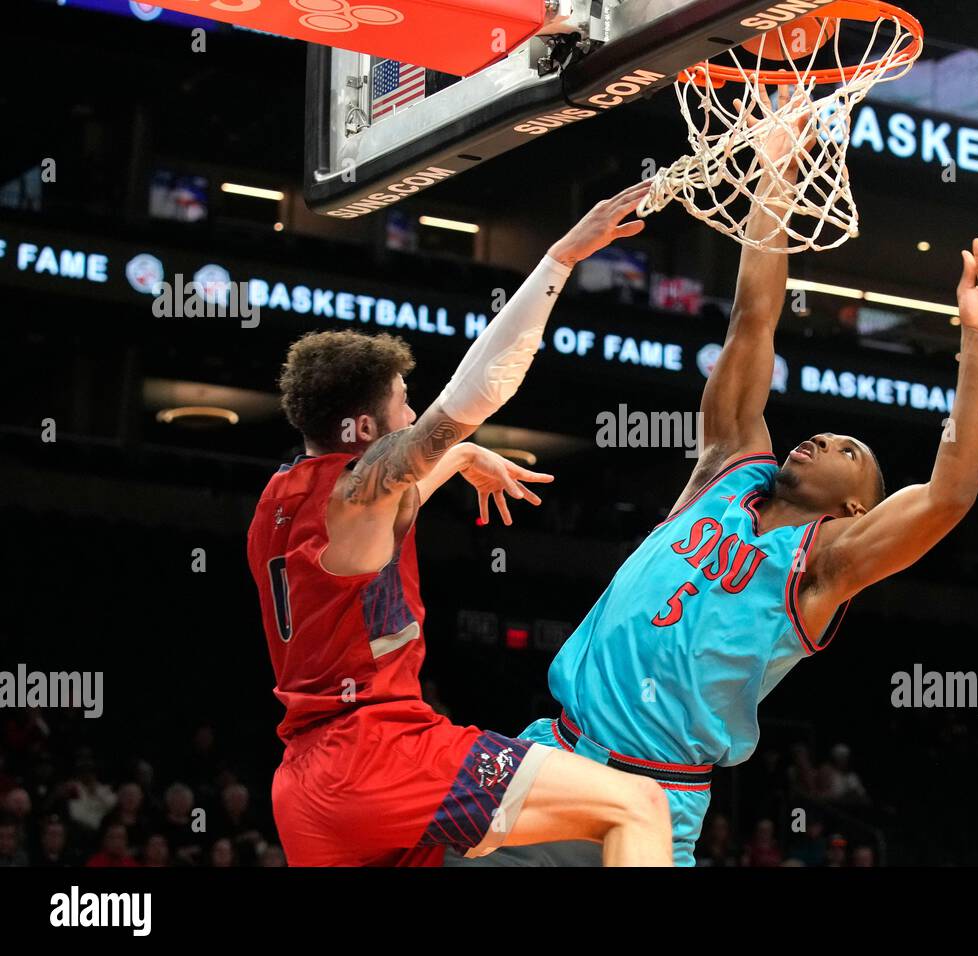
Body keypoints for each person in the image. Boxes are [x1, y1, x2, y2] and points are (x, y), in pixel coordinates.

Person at [452, 108, 978, 865]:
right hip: (550, 754)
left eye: (848, 452)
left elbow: (950, 495)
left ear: (858, 505)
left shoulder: (827, 564)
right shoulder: (725, 467)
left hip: (650, 797)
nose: (821, 438)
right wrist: (777, 170)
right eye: (824, 434)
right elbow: (754, 320)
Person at [248, 181, 673, 866]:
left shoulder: (282, 500)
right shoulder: (360, 493)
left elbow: (394, 497)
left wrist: (467, 456)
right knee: (640, 805)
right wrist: (561, 258)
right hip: (379, 755)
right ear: (364, 431)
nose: (413, 421)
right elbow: (474, 396)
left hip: (307, 787)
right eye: (401, 410)